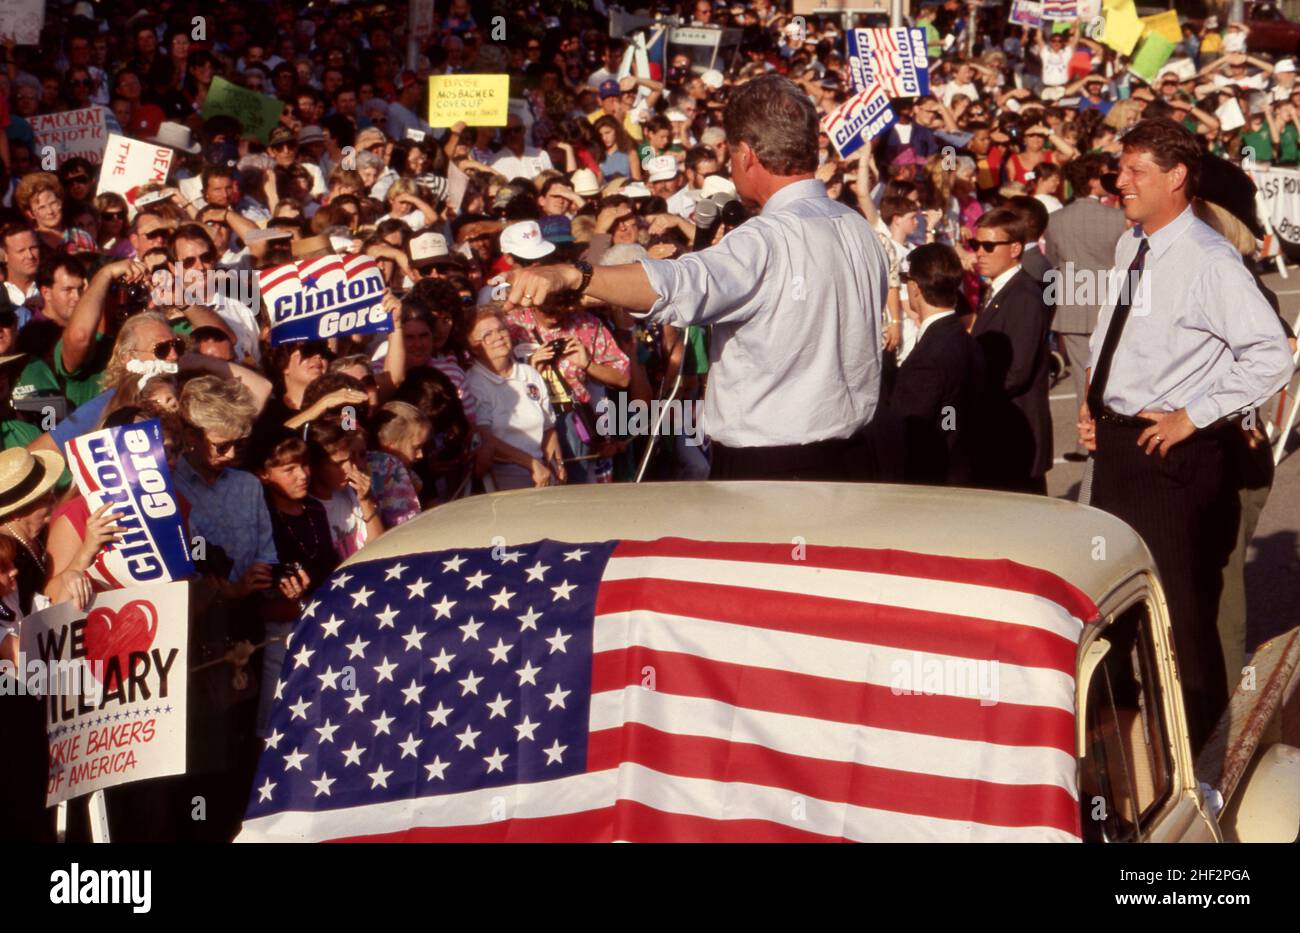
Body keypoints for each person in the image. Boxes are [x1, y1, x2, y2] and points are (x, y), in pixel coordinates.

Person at [501, 75, 891, 481]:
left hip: (772, 473)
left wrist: (574, 273)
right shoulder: (858, 227)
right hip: (853, 461)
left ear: (746, 155)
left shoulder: (764, 239)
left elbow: (676, 284)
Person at [1078, 118, 1293, 753]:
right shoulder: (1132, 247)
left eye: (1135, 171)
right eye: (1120, 169)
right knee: (1111, 603)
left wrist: (1193, 416)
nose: (1120, 181)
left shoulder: (1208, 259)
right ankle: (1119, 755)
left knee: (1177, 619)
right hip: (1119, 448)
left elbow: (1271, 355)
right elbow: (1115, 335)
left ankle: (1198, 766)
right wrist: (1092, 404)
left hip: (1170, 454)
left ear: (1176, 179)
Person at [1044, 154, 1128, 461]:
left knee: (1083, 376)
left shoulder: (1056, 220)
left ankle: (1086, 441)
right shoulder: (1117, 218)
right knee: (1118, 370)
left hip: (1073, 301)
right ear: (1093, 180)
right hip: (1112, 299)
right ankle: (1116, 433)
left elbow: (1053, 261)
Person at [970, 208, 1054, 493]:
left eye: (989, 246)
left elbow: (1016, 372)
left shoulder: (1024, 296)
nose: (980, 252)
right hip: (999, 432)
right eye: (976, 244)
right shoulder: (996, 290)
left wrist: (968, 392)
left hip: (1015, 437)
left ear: (1015, 248)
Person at [889, 244, 984, 486]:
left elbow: (912, 434)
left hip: (935, 483)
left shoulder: (927, 359)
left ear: (915, 287)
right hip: (965, 472)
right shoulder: (965, 338)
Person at [463, 304, 564, 490]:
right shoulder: (474, 382)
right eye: (487, 335)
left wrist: (555, 464)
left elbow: (549, 428)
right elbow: (485, 438)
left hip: (541, 476)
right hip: (501, 480)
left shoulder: (529, 374)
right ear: (473, 347)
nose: (498, 337)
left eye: (501, 330)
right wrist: (531, 464)